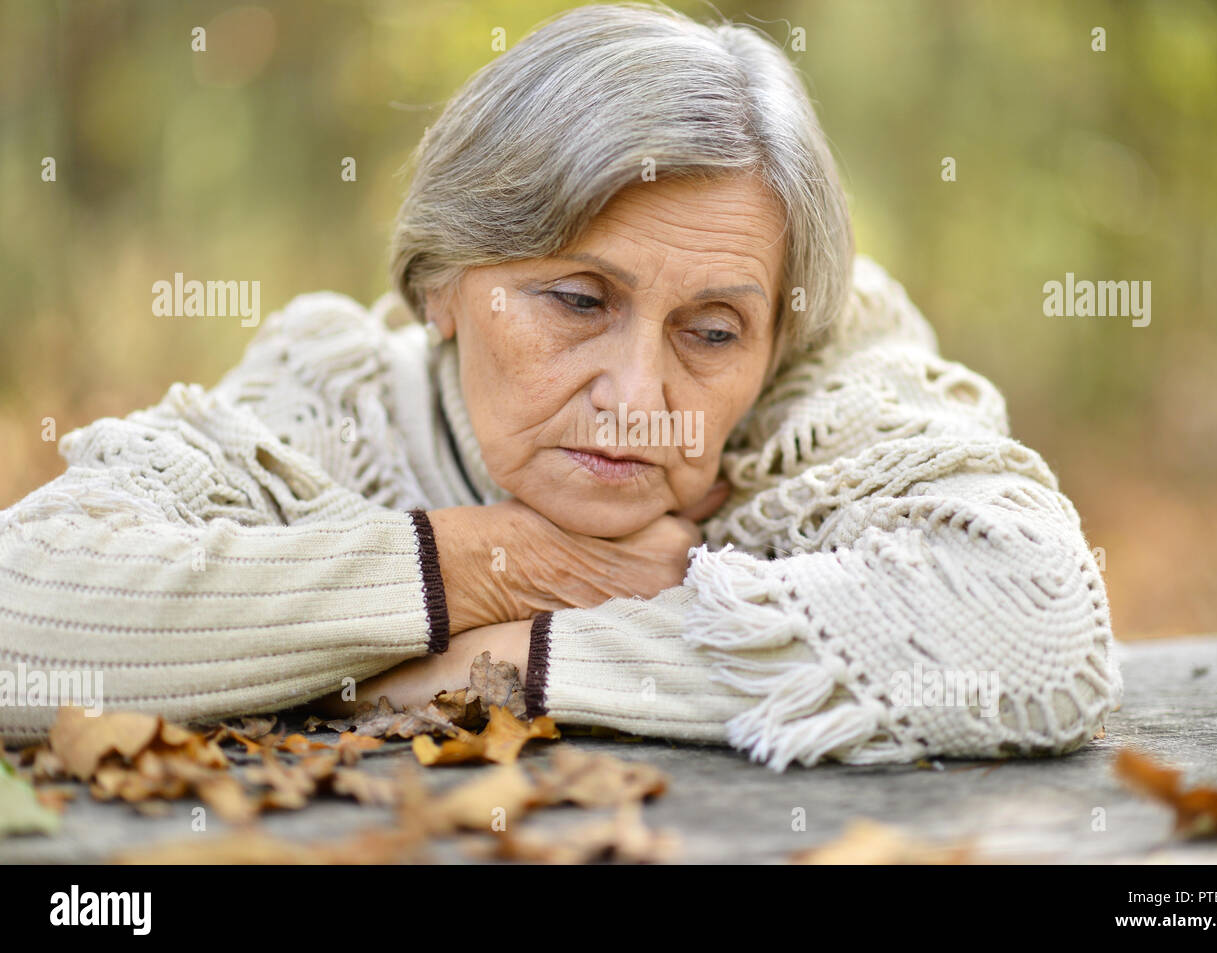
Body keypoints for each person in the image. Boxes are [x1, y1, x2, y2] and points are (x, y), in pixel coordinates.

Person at [0, 3, 1121, 771]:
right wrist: (511, 563)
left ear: (778, 338)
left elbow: (1038, 625)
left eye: (712, 330)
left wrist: (480, 664)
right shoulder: (333, 400)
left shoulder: (830, 390)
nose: (639, 390)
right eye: (578, 300)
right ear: (443, 285)